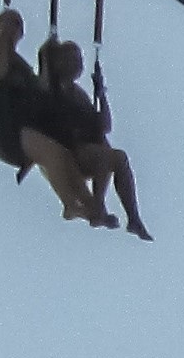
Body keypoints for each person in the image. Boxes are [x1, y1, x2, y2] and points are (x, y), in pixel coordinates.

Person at [0, 8, 106, 225]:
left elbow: (39, 92)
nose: (14, 30)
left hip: (22, 129)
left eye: (18, 26)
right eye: (10, 24)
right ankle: (71, 204)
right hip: (4, 131)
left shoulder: (19, 65)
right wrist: (4, 42)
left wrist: (47, 66)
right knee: (53, 155)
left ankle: (91, 206)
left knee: (63, 156)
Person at [37, 37, 151, 240]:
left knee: (119, 157)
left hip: (86, 151)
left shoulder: (79, 95)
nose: (78, 64)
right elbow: (43, 91)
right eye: (72, 59)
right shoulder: (50, 89)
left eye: (79, 59)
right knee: (105, 156)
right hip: (66, 151)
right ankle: (97, 206)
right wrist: (46, 56)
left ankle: (133, 217)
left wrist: (101, 94)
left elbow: (103, 126)